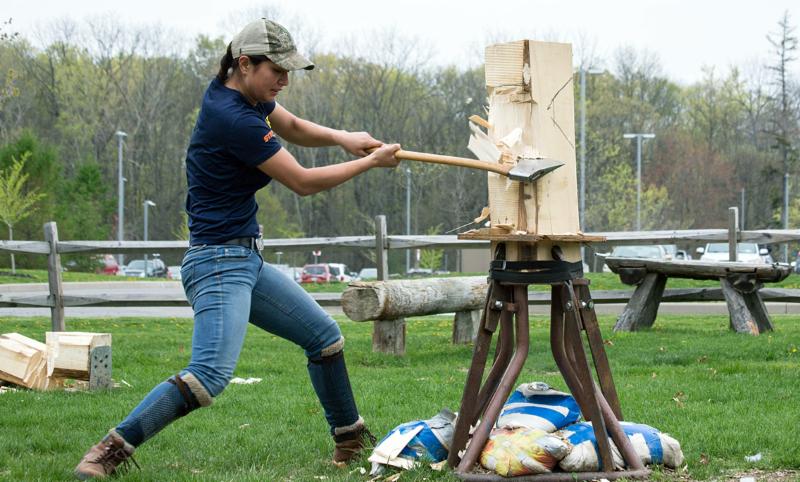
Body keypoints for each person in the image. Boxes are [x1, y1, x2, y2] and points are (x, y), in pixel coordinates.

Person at [74, 18, 401, 480]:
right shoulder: (235, 119)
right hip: (218, 262)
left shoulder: (242, 96)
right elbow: (303, 183)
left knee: (324, 338)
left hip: (243, 259)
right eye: (278, 70)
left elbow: (292, 125)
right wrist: (368, 162)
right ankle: (109, 451)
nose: (285, 80)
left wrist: (343, 138)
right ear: (244, 64)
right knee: (209, 375)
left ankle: (349, 439)